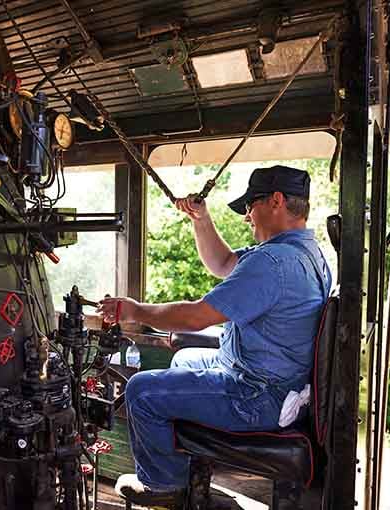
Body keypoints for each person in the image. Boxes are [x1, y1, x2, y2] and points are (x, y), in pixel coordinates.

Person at [97, 165, 332, 505]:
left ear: (276, 201)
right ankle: (189, 470)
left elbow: (196, 317)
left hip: (257, 394)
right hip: (273, 377)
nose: (247, 217)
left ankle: (164, 486)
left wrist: (134, 311)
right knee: (182, 358)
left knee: (141, 391)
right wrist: (201, 219)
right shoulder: (305, 252)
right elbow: (222, 263)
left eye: (250, 206)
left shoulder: (275, 263)